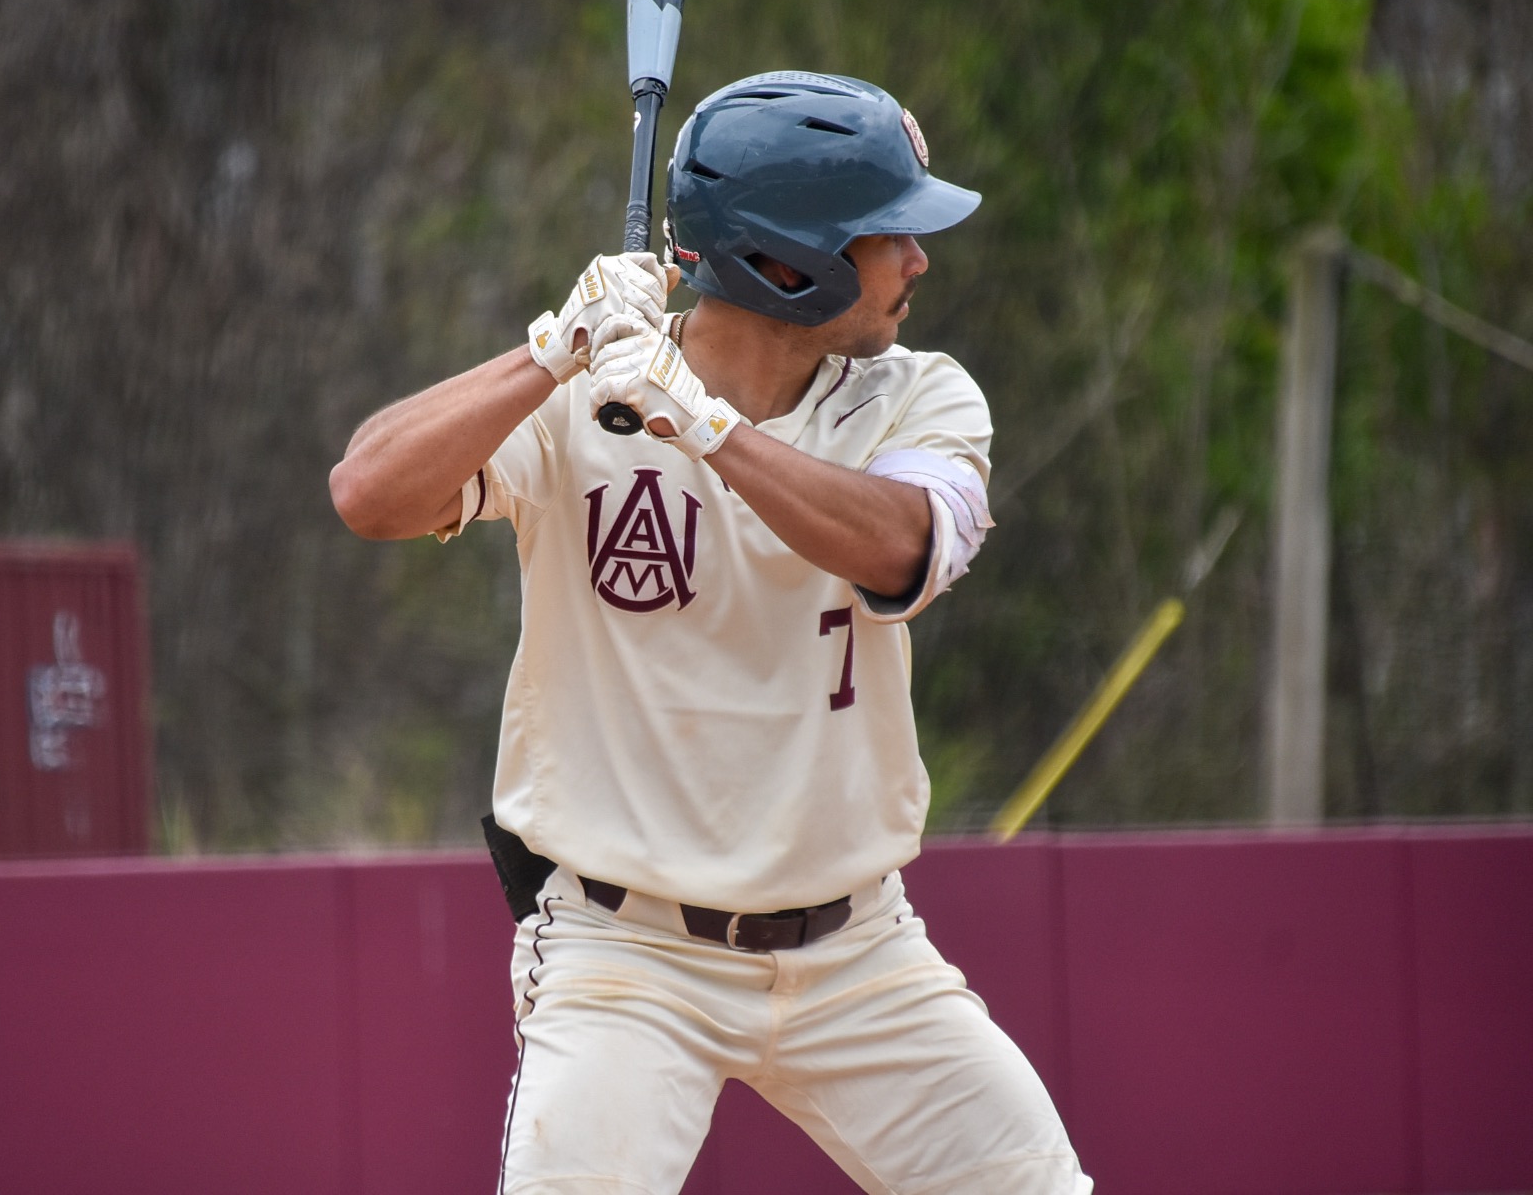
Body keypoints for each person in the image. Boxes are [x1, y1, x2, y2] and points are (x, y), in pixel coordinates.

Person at [330, 72, 1090, 1193]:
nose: (920, 260)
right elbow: (366, 494)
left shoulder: (919, 395)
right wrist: (551, 352)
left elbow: (897, 548)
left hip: (858, 956)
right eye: (890, 235)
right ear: (792, 262)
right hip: (622, 957)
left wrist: (707, 427)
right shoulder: (591, 388)